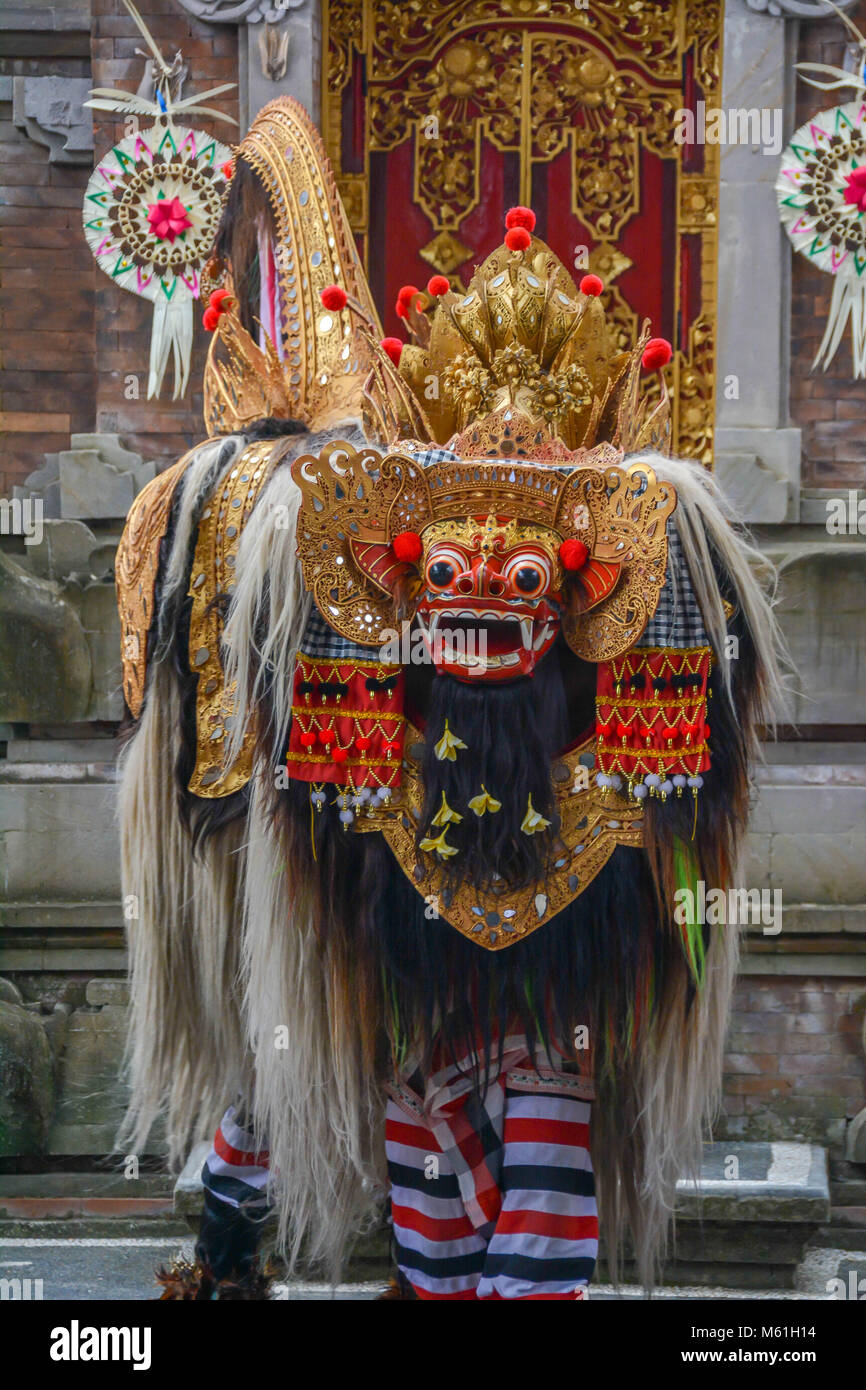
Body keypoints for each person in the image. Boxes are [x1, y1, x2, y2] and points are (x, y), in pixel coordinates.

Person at [115, 97, 787, 1300]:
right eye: (447, 571)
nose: (480, 606)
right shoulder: (340, 639)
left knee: (535, 1149)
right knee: (393, 1132)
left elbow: (680, 778)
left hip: (542, 964)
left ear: (580, 581)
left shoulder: (633, 634)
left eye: (522, 574)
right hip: (406, 949)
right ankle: (276, 1248)